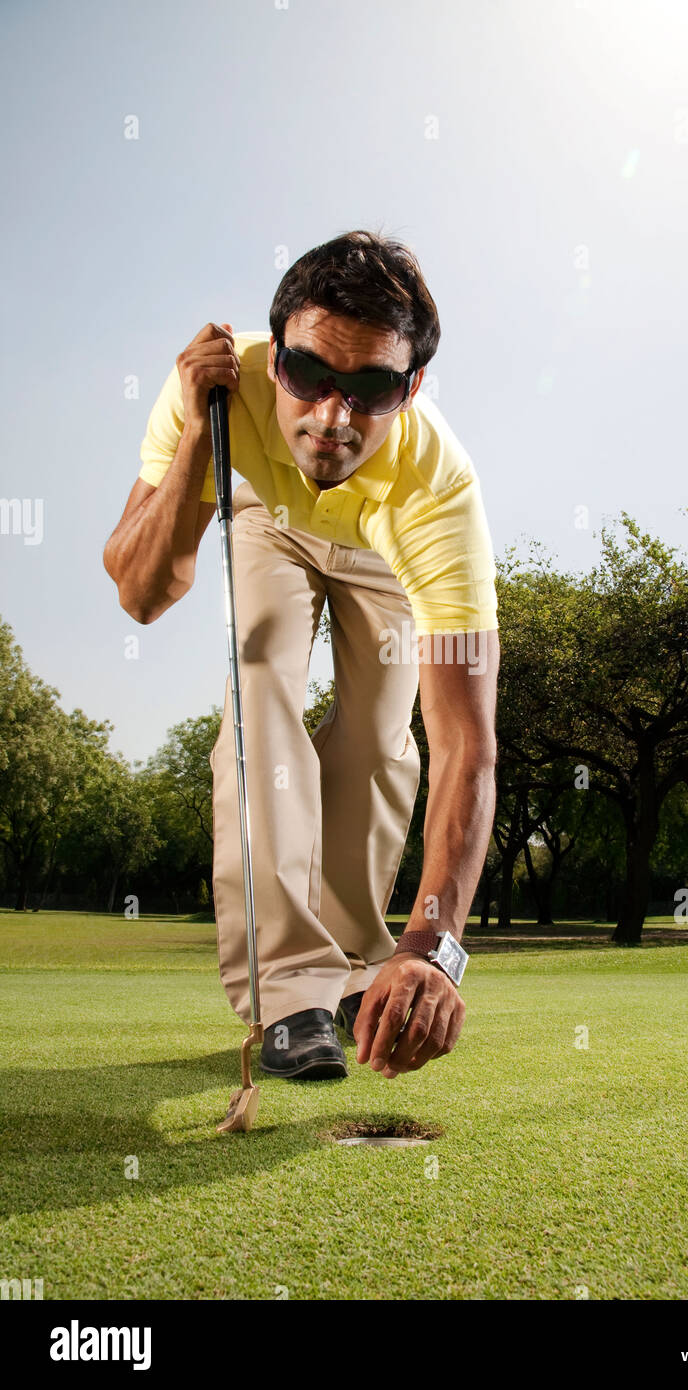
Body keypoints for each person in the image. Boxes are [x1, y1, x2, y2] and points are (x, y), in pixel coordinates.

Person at [104, 230, 499, 1083]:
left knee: (380, 734)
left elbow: (467, 743)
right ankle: (290, 995)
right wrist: (187, 454)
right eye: (309, 376)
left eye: (369, 390)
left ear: (411, 386)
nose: (332, 417)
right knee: (263, 691)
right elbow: (139, 591)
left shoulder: (439, 487)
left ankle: (365, 965)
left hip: (383, 548)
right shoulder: (211, 387)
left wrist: (437, 948)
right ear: (273, 353)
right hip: (267, 522)